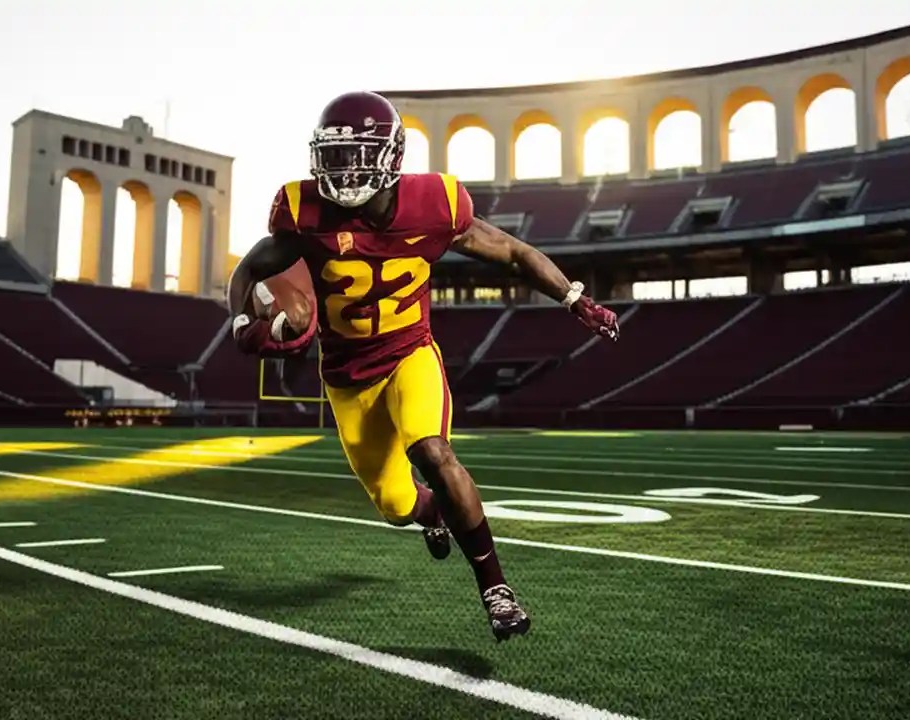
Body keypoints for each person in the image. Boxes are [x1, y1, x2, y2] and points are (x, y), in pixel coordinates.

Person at [228, 90, 619, 641]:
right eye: (336, 157)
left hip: (410, 351)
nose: (347, 170)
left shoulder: (433, 204)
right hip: (346, 377)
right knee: (394, 503)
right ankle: (430, 513)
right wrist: (242, 323)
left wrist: (574, 298)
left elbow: (513, 252)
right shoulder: (301, 210)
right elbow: (248, 269)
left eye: (361, 155)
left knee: (431, 448)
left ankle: (496, 590)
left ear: (391, 157)